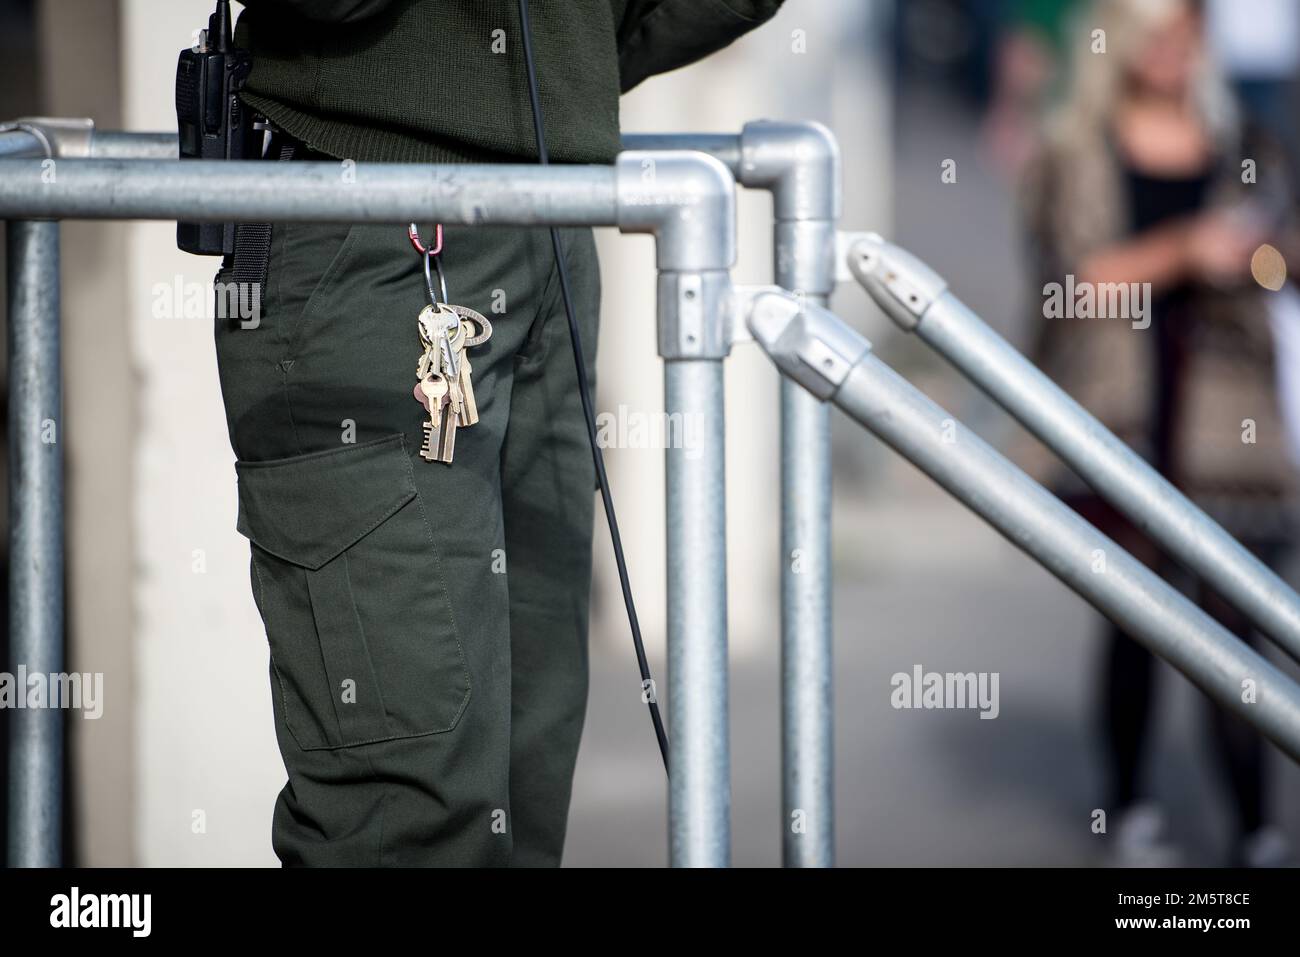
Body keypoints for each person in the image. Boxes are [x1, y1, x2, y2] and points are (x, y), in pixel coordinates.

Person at [215, 0, 784, 867]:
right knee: (413, 813)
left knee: (523, 781)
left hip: (544, 225)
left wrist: (554, 62)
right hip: (372, 226)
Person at [1021, 0, 1300, 866]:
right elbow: (1075, 281)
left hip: (1229, 418)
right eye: (1155, 33)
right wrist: (1184, 250)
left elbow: (1281, 254)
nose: (1173, 50)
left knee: (1234, 625)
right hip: (1122, 415)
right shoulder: (1072, 152)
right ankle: (1130, 813)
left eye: (1186, 31)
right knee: (1136, 618)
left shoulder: (1247, 141)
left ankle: (1256, 829)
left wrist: (1258, 256)